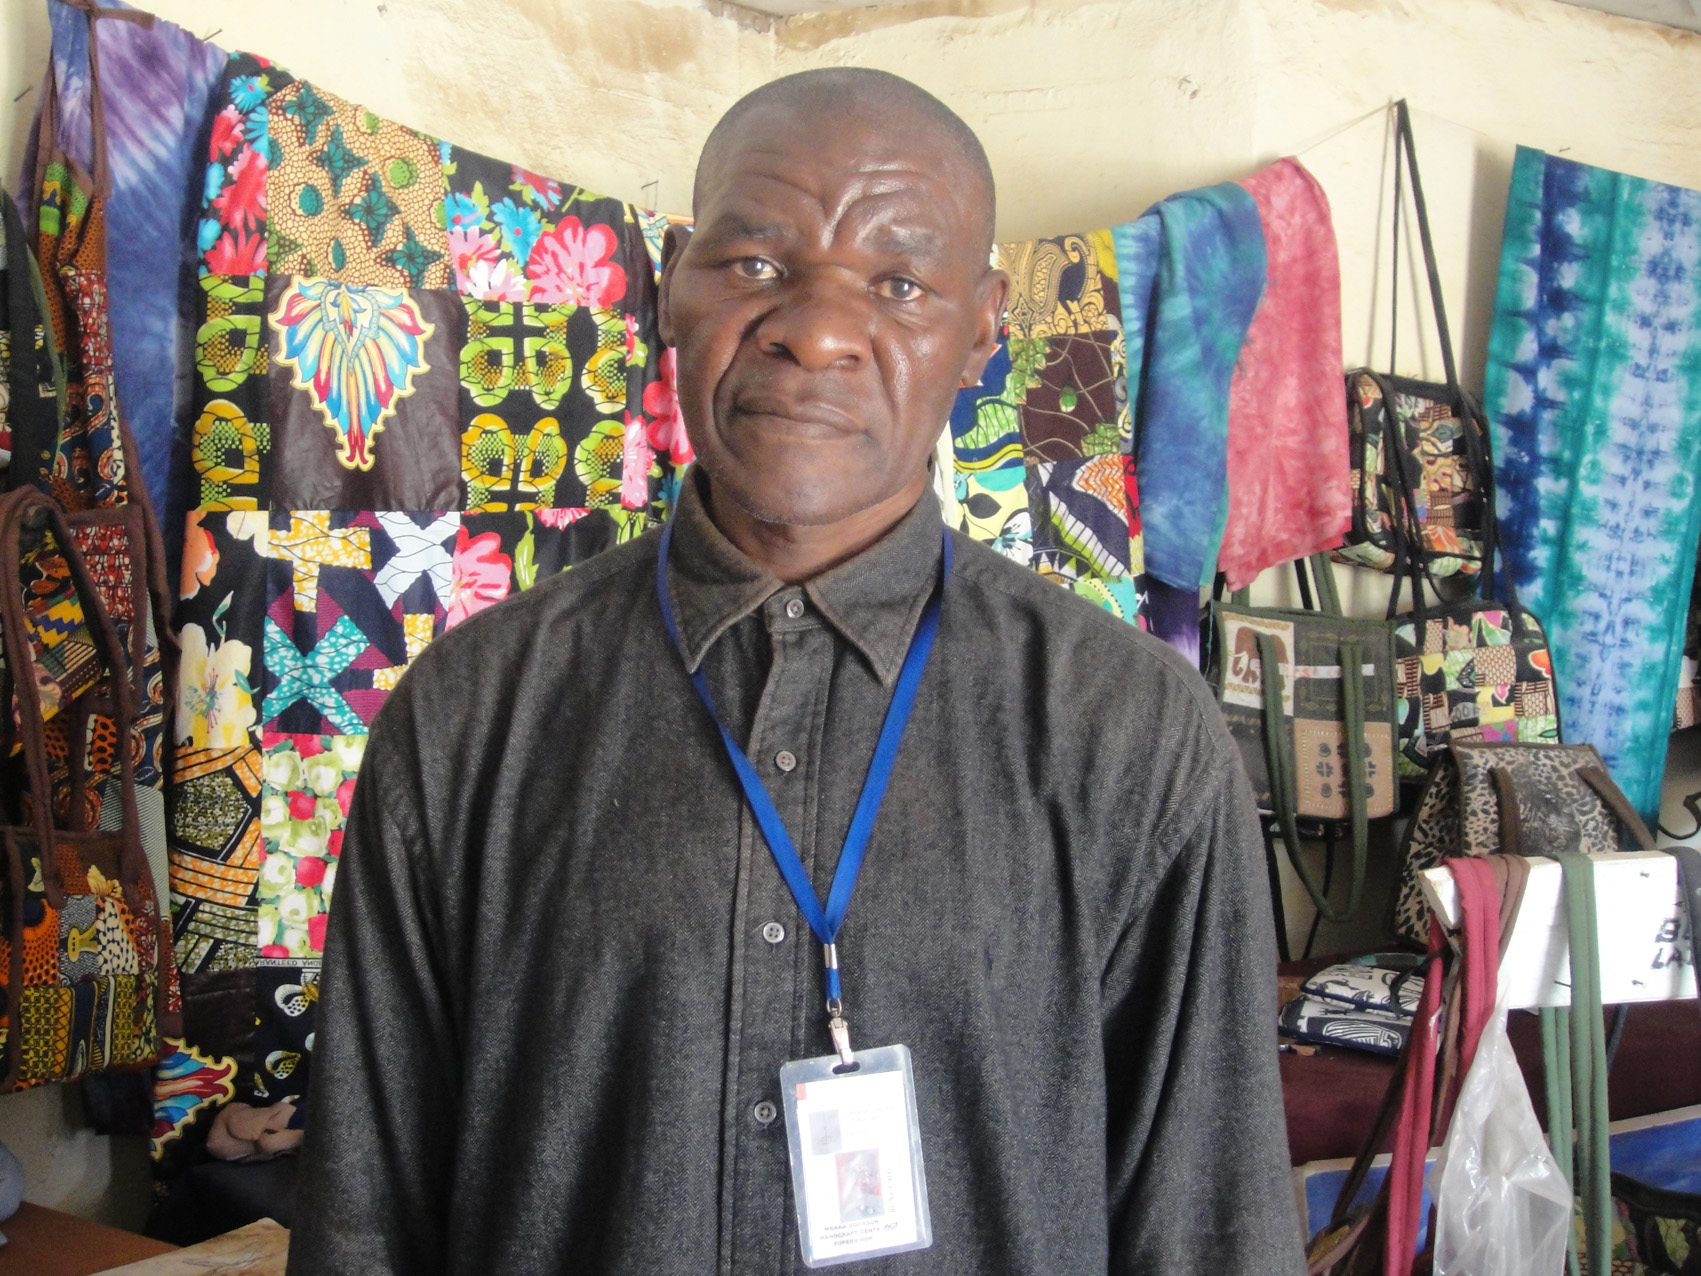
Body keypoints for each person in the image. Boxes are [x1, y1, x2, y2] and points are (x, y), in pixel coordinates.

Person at [288, 67, 1305, 1275]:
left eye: (899, 282)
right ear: (672, 286)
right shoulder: (471, 715)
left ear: (981, 329)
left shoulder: (1130, 734)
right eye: (757, 265)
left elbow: (1208, 1229)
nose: (816, 329)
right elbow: (365, 1213)